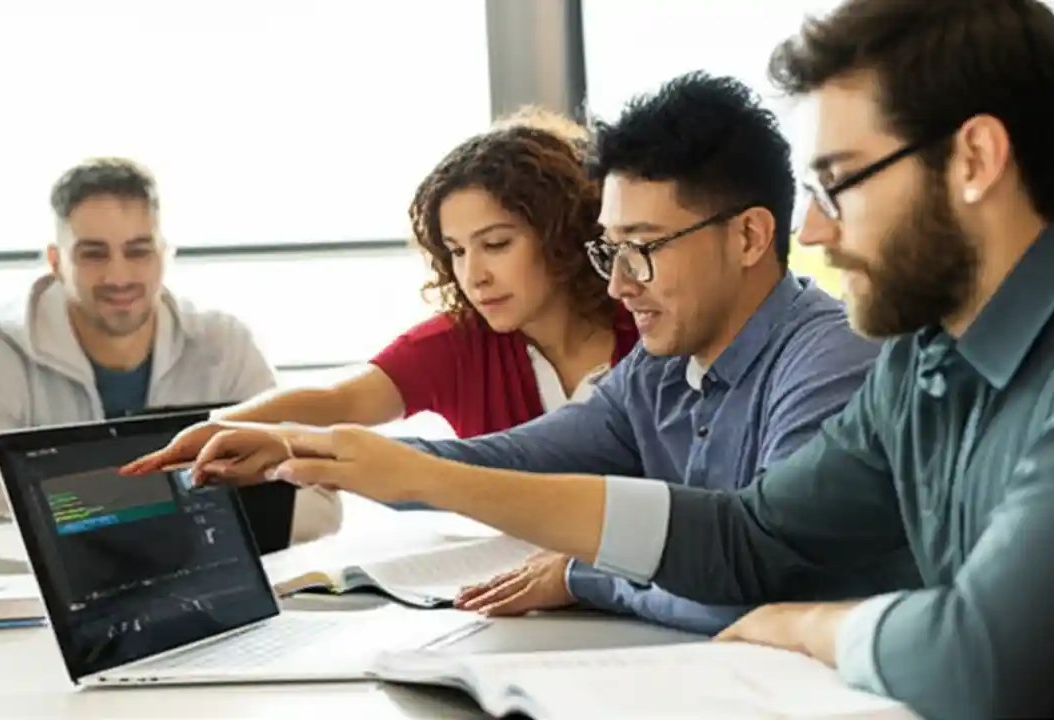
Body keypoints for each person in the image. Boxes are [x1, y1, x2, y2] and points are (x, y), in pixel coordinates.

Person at [154, 1, 1054, 718]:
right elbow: (753, 534)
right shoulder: (929, 366)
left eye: (838, 183)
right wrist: (378, 460)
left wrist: (804, 622)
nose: (815, 231)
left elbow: (984, 660)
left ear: (972, 157)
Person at [126, 72, 889, 635]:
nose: (621, 285)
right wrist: (300, 446)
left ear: (752, 237)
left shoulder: (828, 359)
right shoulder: (657, 369)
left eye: (645, 249)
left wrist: (589, 576)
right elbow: (511, 460)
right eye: (611, 251)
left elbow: (767, 580)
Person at [124, 109, 638, 475]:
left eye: (496, 244)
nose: (474, 275)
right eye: (457, 251)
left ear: (561, 233)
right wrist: (210, 429)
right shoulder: (460, 342)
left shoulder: (645, 323)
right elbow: (340, 399)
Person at [0, 158, 340, 541]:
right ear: (56, 262)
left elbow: (317, 505)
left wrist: (87, 503)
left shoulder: (226, 347)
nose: (118, 276)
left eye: (138, 251)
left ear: (165, 253)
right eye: (93, 254)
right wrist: (192, 498)